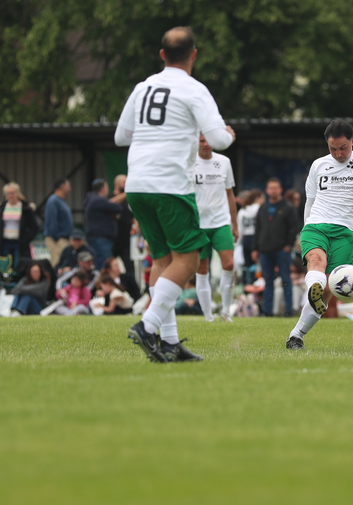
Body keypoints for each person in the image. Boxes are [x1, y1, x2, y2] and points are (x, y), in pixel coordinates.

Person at [116, 26, 235, 362]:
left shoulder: (142, 87)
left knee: (163, 260)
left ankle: (168, 343)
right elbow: (220, 140)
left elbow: (121, 137)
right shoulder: (194, 89)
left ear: (162, 55)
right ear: (194, 54)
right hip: (169, 185)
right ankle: (148, 325)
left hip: (136, 184)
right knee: (190, 258)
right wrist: (226, 133)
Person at [285, 119, 353, 349]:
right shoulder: (318, 165)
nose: (339, 153)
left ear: (352, 141)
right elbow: (309, 201)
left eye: (343, 148)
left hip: (345, 231)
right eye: (333, 149)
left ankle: (297, 334)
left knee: (330, 289)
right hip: (316, 224)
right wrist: (305, 228)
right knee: (316, 261)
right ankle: (302, 321)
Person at [192, 133, 238, 322]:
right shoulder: (188, 161)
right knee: (202, 269)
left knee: (229, 265)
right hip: (198, 225)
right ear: (196, 142)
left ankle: (226, 312)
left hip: (221, 222)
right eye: (202, 141)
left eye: (208, 140)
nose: (205, 144)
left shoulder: (224, 162)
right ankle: (208, 316)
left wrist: (234, 224)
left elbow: (230, 194)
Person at [255, 178, 301, 318]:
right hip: (265, 250)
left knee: (286, 279)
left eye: (276, 188)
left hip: (282, 250)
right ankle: (267, 311)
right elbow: (258, 228)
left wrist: (288, 244)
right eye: (271, 188)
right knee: (268, 281)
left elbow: (294, 227)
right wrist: (255, 248)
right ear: (267, 190)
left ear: (280, 190)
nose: (273, 191)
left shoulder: (287, 207)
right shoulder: (263, 208)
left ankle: (289, 310)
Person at [0, 182, 38, 266]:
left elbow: (34, 227)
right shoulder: (1, 208)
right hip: (4, 243)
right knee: (6, 266)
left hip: (19, 244)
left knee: (18, 265)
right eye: (8, 193)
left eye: (12, 193)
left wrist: (25, 239)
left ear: (17, 193)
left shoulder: (26, 208)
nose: (10, 195)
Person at [84, 178, 123, 267]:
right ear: (103, 189)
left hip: (100, 239)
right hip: (101, 240)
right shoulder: (98, 200)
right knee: (103, 265)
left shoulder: (92, 200)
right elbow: (117, 208)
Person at [44, 178, 74, 265]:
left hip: (63, 239)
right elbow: (51, 221)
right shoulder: (53, 201)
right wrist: (56, 238)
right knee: (57, 264)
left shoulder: (60, 201)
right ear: (63, 187)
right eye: (68, 186)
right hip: (57, 240)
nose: (70, 189)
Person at [237, 188, 262, 284]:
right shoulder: (260, 209)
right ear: (258, 198)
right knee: (258, 265)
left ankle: (246, 286)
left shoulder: (242, 211)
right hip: (256, 238)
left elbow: (240, 229)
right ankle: (257, 286)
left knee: (246, 265)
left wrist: (238, 245)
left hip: (245, 239)